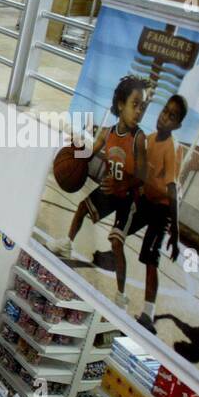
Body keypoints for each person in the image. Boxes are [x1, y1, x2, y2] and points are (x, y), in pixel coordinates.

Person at [50, 75, 149, 309]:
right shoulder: (107, 133)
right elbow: (88, 154)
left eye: (143, 107)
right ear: (121, 104)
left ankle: (121, 295)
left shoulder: (139, 139)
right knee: (82, 207)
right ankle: (67, 243)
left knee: (116, 243)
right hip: (111, 189)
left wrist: (123, 185)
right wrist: (75, 149)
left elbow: (143, 175)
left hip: (131, 197)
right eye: (135, 104)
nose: (139, 111)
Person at [125, 95, 187, 333]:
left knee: (151, 259)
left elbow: (172, 191)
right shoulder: (150, 139)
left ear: (177, 125)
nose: (165, 117)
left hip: (163, 207)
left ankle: (148, 315)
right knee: (120, 229)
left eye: (172, 116)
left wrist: (176, 233)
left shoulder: (172, 147)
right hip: (147, 201)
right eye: (165, 111)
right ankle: (112, 254)